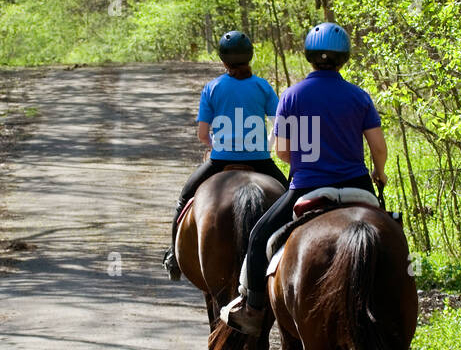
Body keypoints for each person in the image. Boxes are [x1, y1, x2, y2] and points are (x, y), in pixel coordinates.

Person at [220, 22, 388, 334]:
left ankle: (253, 308)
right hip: (358, 185)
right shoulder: (359, 96)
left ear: (309, 56)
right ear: (344, 58)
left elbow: (281, 152)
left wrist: (304, 159)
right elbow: (378, 146)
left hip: (307, 187)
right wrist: (379, 172)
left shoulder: (293, 96)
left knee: (258, 238)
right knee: (393, 236)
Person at [163, 31, 289, 280]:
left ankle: (174, 257)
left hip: (220, 160)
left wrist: (214, 144)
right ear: (250, 56)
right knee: (289, 200)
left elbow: (202, 134)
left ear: (223, 60)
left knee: (184, 198)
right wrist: (268, 144)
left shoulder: (213, 88)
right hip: (260, 161)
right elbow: (279, 123)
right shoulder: (262, 87)